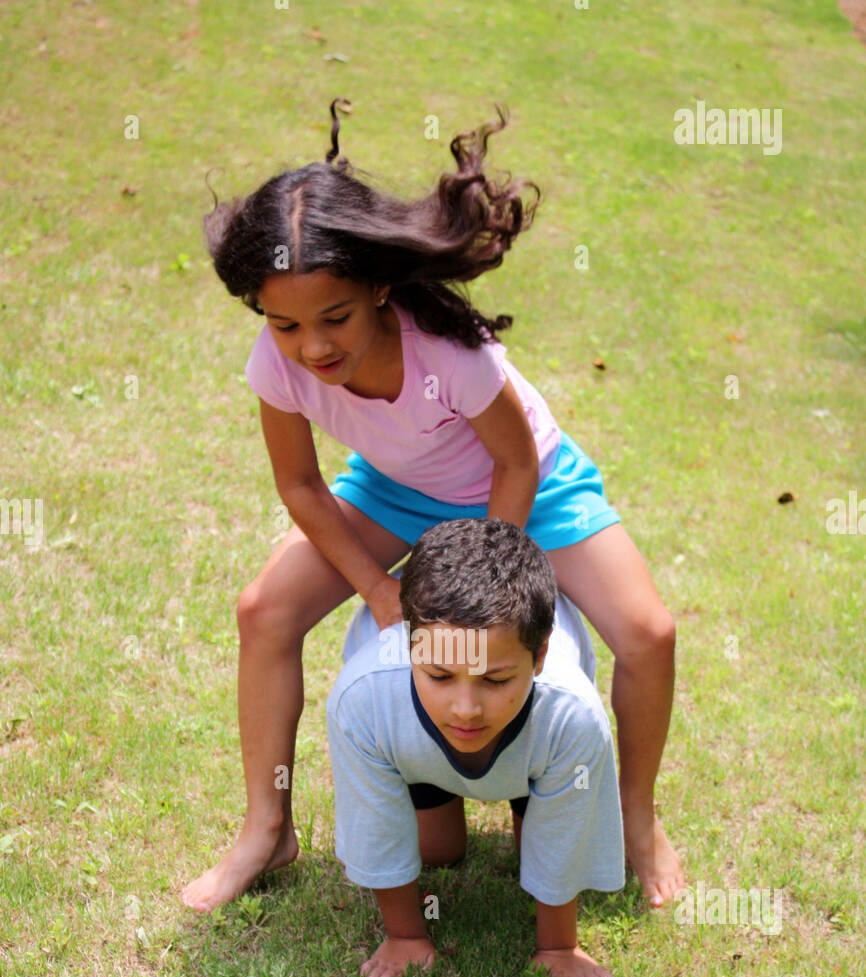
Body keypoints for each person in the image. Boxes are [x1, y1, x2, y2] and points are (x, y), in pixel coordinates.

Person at [182, 96, 683, 915]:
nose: (314, 347)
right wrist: (382, 593)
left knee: (649, 634)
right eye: (284, 325)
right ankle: (265, 831)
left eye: (334, 317)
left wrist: (487, 578)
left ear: (379, 285)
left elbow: (516, 458)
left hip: (523, 486)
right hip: (395, 491)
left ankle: (635, 817)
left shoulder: (450, 348)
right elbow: (302, 487)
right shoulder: (278, 364)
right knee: (263, 610)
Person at [327, 518, 624, 977]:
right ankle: (439, 788)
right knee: (437, 850)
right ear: (408, 646)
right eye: (440, 675)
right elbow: (376, 827)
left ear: (540, 655)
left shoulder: (572, 715)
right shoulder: (364, 699)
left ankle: (524, 798)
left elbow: (568, 839)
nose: (465, 708)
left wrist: (557, 947)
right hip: (415, 745)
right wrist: (404, 936)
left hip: (533, 747)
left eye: (495, 680)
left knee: (539, 856)